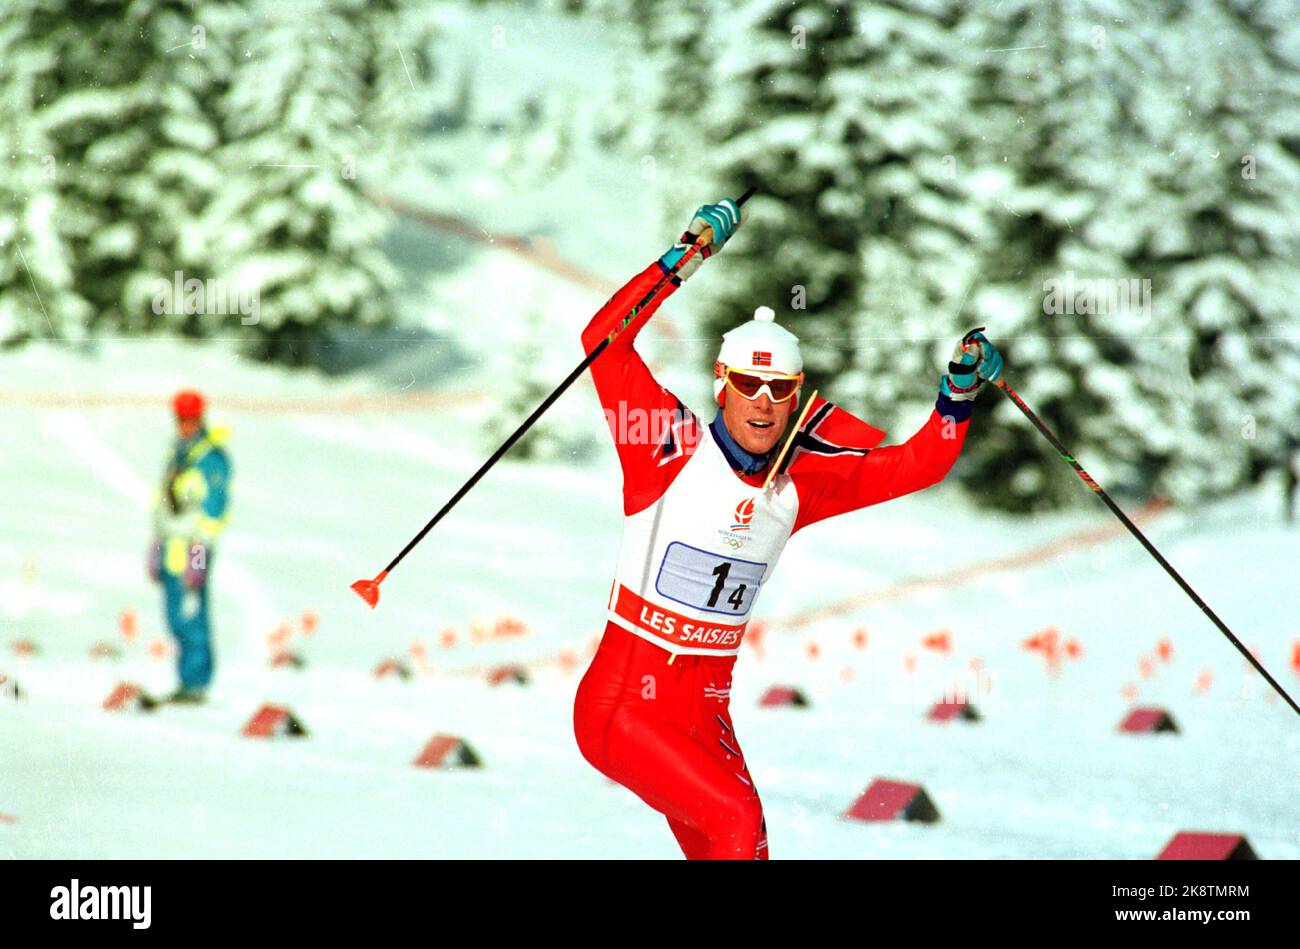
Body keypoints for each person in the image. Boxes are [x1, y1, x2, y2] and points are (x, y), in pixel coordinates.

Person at [572, 197, 1004, 859]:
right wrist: (684, 257)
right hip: (624, 709)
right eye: (749, 383)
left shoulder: (799, 486)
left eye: (780, 388)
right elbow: (602, 340)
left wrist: (957, 397)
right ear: (723, 384)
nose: (764, 402)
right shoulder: (665, 446)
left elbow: (922, 463)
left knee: (739, 843)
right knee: (737, 819)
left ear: (798, 393)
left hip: (706, 718)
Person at [148, 389, 232, 704]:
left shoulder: (210, 457)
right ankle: (185, 679)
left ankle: (196, 683)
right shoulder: (178, 453)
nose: (183, 424)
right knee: (174, 615)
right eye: (180, 419)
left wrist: (201, 552)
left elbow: (215, 507)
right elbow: (164, 503)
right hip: (170, 546)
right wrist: (156, 543)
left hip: (194, 549)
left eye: (189, 419)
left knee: (191, 610)